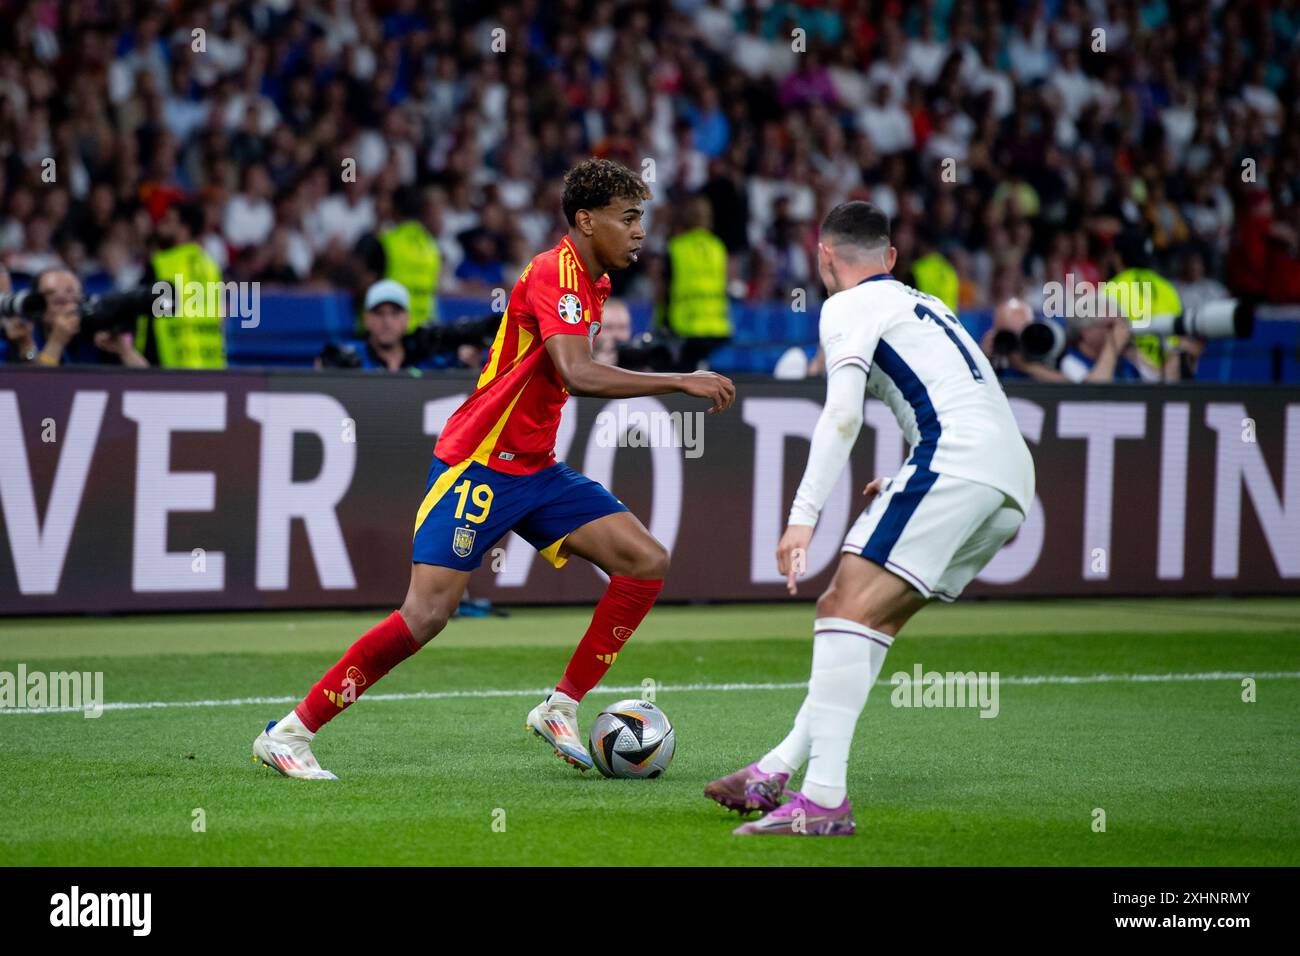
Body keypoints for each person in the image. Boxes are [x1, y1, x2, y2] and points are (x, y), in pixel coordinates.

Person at [254, 159, 736, 779]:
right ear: (586, 221)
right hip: (478, 465)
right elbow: (577, 373)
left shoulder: (596, 283)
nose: (640, 231)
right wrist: (679, 379)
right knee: (426, 615)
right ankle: (291, 734)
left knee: (646, 560)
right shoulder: (552, 272)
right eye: (629, 218)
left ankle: (560, 706)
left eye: (640, 217)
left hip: (534, 469)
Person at [704, 202, 1034, 835]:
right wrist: (919, 477)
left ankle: (824, 800)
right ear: (891, 258)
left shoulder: (845, 306)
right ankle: (776, 769)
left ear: (824, 256)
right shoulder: (929, 305)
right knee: (868, 623)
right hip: (1007, 476)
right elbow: (963, 399)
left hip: (954, 464)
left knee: (838, 608)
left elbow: (844, 416)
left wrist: (803, 516)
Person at [3, 268, 147, 367]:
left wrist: (125, 352)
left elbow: (150, 386)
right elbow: (35, 391)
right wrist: (56, 342)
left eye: (71, 294)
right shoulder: (24, 334)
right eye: (51, 295)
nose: (64, 304)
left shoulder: (96, 332)